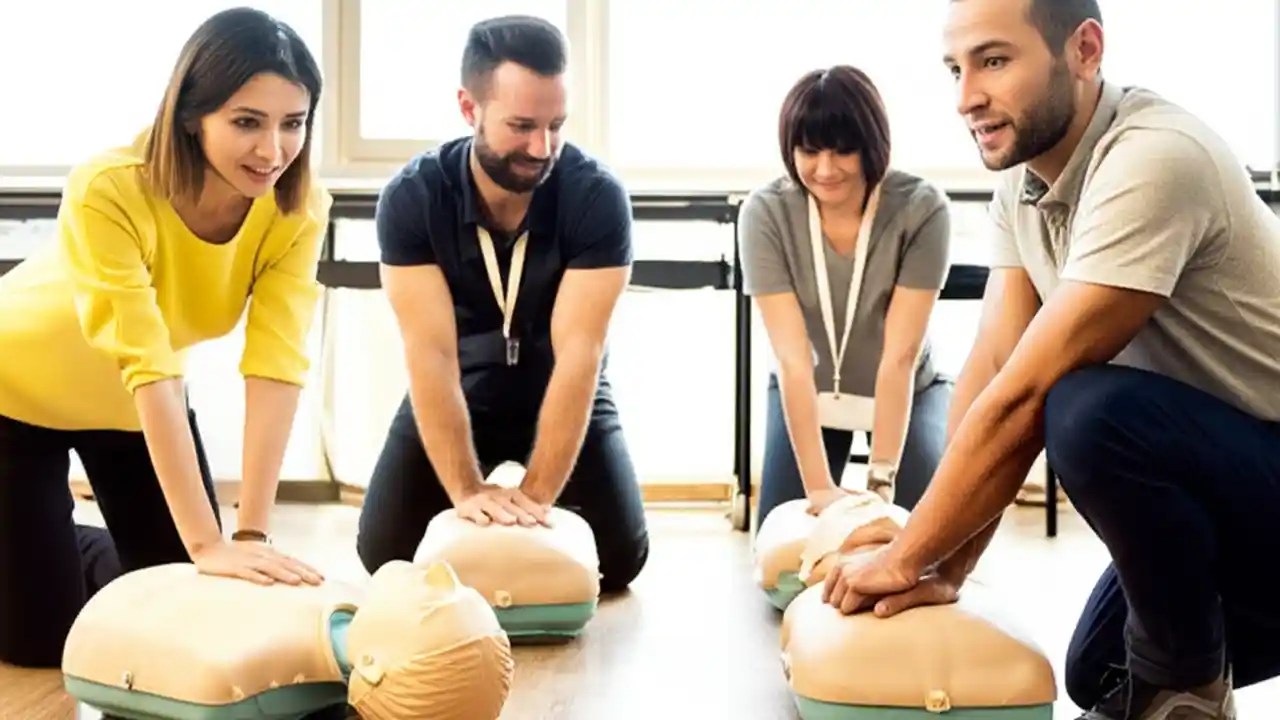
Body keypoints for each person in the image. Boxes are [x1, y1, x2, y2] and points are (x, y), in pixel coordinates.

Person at [822, 0, 1280, 718]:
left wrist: (907, 554)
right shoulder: (1023, 186)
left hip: (1266, 475)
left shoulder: (1155, 159)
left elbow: (1027, 396)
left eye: (995, 61)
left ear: (1085, 50)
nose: (967, 95)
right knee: (1097, 675)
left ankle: (1190, 694)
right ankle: (1179, 678)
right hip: (1234, 493)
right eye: (956, 68)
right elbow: (994, 370)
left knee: (1087, 410)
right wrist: (946, 565)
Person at [0, 7, 330, 668]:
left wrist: (248, 535)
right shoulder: (109, 187)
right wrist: (207, 544)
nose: (272, 150)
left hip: (127, 410)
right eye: (246, 121)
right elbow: (148, 362)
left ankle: (58, 543)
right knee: (41, 642)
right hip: (12, 394)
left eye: (292, 123)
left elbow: (277, 364)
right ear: (190, 114)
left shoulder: (296, 208)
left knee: (196, 605)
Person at [356, 15, 649, 593]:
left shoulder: (597, 197)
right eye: (521, 126)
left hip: (560, 386)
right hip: (461, 386)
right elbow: (431, 354)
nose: (542, 148)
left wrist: (535, 503)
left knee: (619, 559)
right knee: (384, 553)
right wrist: (466, 491)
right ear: (470, 109)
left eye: (556, 125)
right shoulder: (412, 198)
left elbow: (580, 355)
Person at [739, 65, 954, 527]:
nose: (825, 169)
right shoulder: (765, 213)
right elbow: (794, 361)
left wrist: (878, 486)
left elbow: (900, 355)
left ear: (871, 145)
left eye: (843, 151)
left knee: (924, 535)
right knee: (784, 542)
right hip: (810, 389)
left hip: (908, 386)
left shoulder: (922, 208)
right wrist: (819, 491)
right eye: (809, 151)